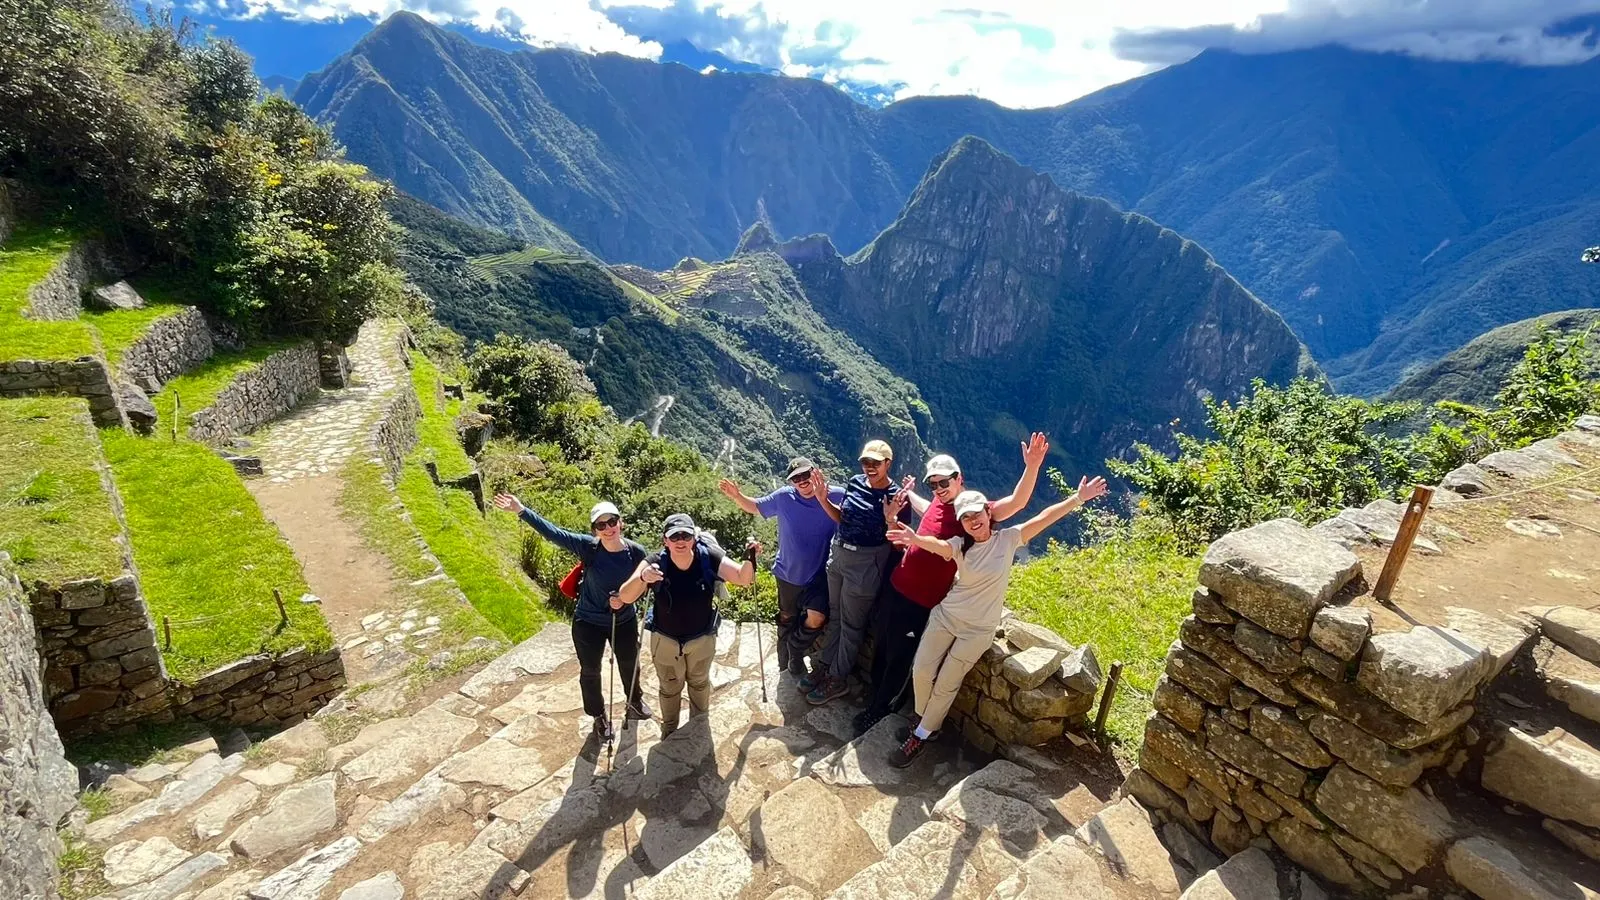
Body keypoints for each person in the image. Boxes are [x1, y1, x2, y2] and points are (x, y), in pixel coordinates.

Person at [885, 476, 1107, 767]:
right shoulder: (960, 545)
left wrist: (1078, 498)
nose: (973, 520)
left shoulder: (1008, 539)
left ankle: (921, 735)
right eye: (966, 517)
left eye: (977, 513)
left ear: (988, 514)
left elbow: (1043, 517)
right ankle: (925, 721)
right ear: (961, 524)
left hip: (977, 630)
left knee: (947, 683)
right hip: (946, 616)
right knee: (922, 670)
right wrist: (914, 539)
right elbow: (937, 545)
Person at [852, 434, 1050, 736]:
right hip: (897, 586)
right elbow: (923, 509)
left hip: (921, 599)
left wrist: (1032, 466)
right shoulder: (936, 502)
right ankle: (874, 698)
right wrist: (903, 495)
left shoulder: (970, 513)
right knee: (882, 645)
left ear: (960, 479)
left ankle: (883, 708)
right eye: (933, 484)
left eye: (944, 483)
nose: (939, 489)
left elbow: (1018, 502)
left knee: (900, 657)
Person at [492, 494, 649, 742]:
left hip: (624, 620)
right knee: (590, 670)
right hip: (588, 622)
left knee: (630, 663)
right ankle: (598, 715)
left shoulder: (637, 553)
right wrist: (522, 510)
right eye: (601, 525)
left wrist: (628, 599)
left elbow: (645, 585)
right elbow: (554, 533)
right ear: (594, 530)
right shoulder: (589, 547)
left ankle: (635, 701)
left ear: (621, 523)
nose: (608, 529)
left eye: (612, 522)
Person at [617, 513, 759, 736]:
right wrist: (643, 577)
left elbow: (743, 578)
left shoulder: (709, 557)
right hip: (666, 639)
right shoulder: (655, 563)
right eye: (675, 537)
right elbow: (625, 596)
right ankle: (670, 728)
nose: (680, 541)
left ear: (694, 538)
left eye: (685, 535)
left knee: (700, 682)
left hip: (701, 638)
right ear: (665, 540)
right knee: (669, 688)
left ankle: (699, 723)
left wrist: (750, 560)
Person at [803, 439, 910, 705]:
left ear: (888, 463)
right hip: (839, 553)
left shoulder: (897, 497)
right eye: (866, 462)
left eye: (876, 463)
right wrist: (822, 500)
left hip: (865, 563)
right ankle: (826, 665)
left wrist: (890, 517)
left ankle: (837, 678)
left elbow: (898, 542)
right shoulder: (855, 481)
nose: (870, 467)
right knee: (837, 615)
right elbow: (843, 517)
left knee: (852, 624)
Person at [719, 457, 845, 679]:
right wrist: (737, 496)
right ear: (791, 482)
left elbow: (852, 518)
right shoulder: (784, 497)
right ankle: (784, 665)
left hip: (819, 574)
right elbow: (756, 506)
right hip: (787, 574)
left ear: (817, 473)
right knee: (786, 619)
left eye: (806, 475)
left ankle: (795, 650)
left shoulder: (836, 495)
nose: (803, 481)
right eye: (797, 478)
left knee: (817, 617)